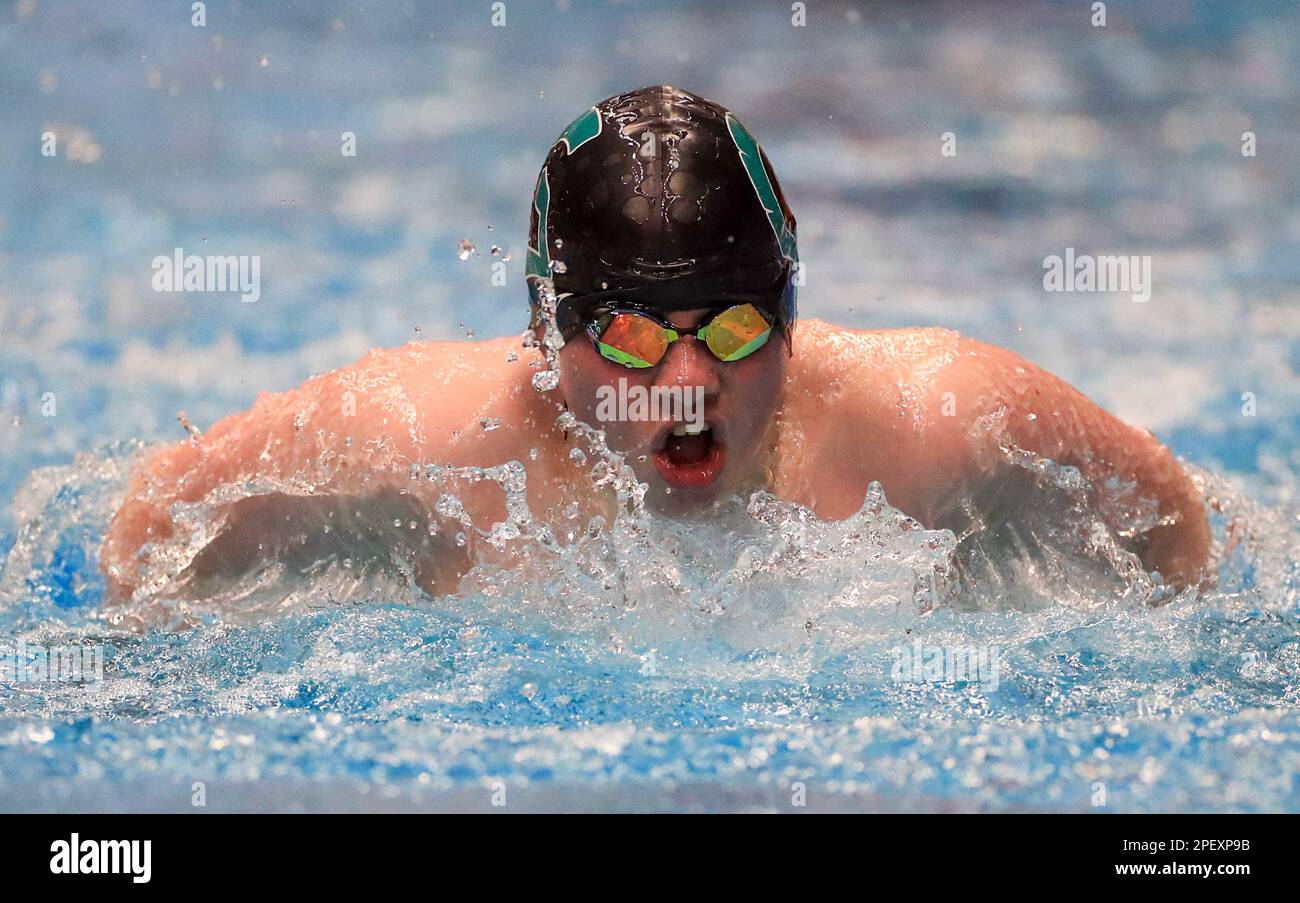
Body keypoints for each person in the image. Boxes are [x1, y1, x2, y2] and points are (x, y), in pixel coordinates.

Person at [101, 85, 1211, 606]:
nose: (688, 384)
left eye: (732, 327)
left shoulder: (935, 417)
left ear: (787, 314)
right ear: (549, 330)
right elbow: (153, 525)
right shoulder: (415, 440)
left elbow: (1174, 524)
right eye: (630, 337)